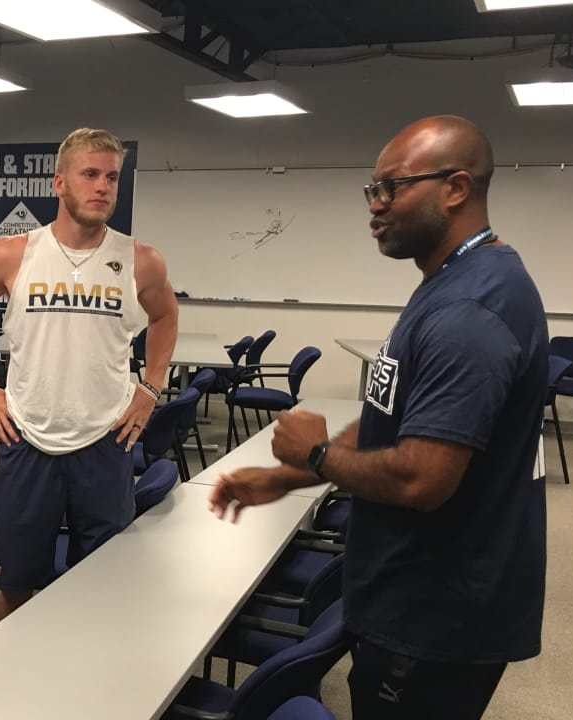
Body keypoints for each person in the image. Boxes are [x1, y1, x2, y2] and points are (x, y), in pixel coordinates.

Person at [210, 116, 548, 720]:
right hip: (417, 593)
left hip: (437, 613)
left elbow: (423, 479)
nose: (376, 205)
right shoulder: (450, 284)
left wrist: (315, 454)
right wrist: (287, 479)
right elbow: (384, 423)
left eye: (393, 187)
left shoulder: (472, 307)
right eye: (373, 190)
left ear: (456, 188)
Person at [0, 127, 179, 625]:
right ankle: (9, 692)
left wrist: (151, 388)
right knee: (15, 584)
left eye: (112, 177)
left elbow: (166, 318)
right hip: (28, 437)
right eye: (91, 174)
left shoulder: (141, 260)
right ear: (59, 183)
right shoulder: (12, 254)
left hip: (105, 440)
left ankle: (88, 689)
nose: (103, 187)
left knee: (102, 580)